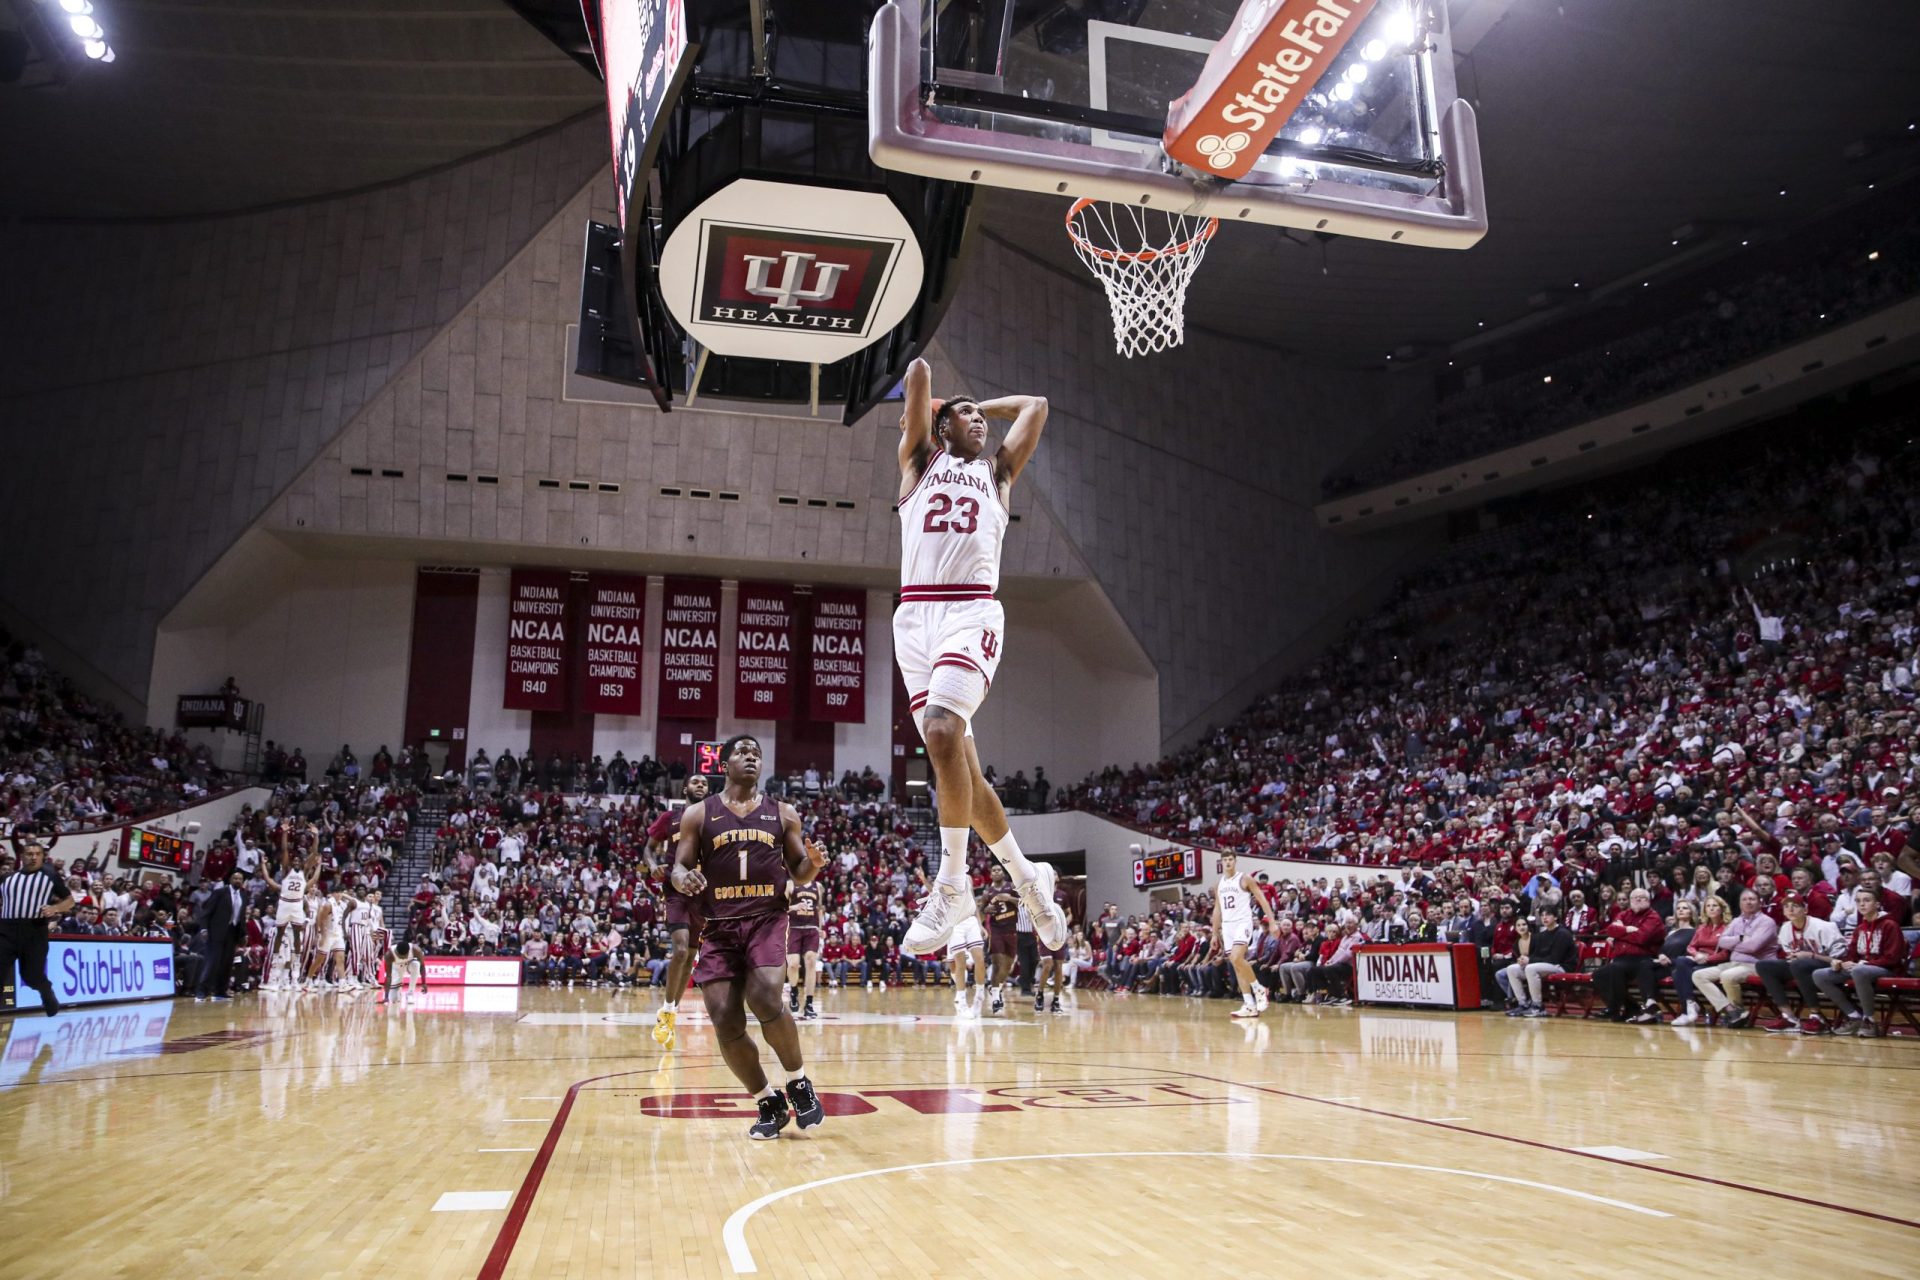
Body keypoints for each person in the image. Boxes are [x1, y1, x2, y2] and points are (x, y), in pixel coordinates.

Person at [891, 357, 1068, 961]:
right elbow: (917, 373)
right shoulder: (919, 462)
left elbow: (1035, 407)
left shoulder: (998, 474)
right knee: (961, 765)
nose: (978, 423)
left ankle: (953, 885)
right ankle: (1027, 880)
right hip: (915, 620)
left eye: (980, 417)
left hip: (970, 611)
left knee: (941, 731)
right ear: (941, 426)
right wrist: (942, 405)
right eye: (963, 415)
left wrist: (981, 405)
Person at [671, 735, 828, 1139]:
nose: (751, 758)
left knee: (764, 996)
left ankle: (798, 1082)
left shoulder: (784, 813)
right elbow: (678, 867)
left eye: (756, 754)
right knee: (724, 1018)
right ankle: (767, 1100)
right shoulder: (698, 814)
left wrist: (812, 865)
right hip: (720, 926)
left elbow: (799, 872)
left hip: (765, 919)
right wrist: (684, 877)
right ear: (724, 764)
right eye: (742, 752)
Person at [649, 774, 711, 1050]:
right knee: (682, 951)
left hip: (702, 893)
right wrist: (652, 866)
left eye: (705, 784)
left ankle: (670, 1012)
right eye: (695, 782)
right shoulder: (669, 818)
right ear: (685, 788)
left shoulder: (713, 820)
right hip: (675, 890)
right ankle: (666, 1009)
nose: (700, 785)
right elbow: (648, 850)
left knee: (691, 955)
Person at [1810, 885, 1910, 1038]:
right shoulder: (1860, 928)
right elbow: (1852, 955)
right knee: (1819, 974)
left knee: (1858, 970)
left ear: (1877, 904)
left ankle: (1869, 1020)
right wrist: (1841, 963)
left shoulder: (1890, 925)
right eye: (1858, 901)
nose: (1862, 904)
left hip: (1886, 969)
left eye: (1867, 900)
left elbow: (1893, 958)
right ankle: (1853, 1015)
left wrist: (1863, 964)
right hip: (1861, 968)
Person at [0, 832, 74, 1015]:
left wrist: (55, 909)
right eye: (29, 854)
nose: (33, 857)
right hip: (5, 931)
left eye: (37, 854)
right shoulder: (7, 879)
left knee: (31, 977)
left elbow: (70, 901)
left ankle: (46, 991)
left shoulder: (50, 876)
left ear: (43, 856)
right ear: (21, 857)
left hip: (34, 931)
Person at [1692, 888, 1780, 1028]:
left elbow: (1753, 947)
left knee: (1728, 975)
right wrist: (1740, 938)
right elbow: (1721, 941)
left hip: (1757, 965)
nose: (1748, 902)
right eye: (1744, 900)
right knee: (1698, 975)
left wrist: (1733, 944)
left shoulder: (1767, 922)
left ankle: (1737, 1011)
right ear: (1740, 904)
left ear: (1760, 902)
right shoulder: (1736, 921)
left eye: (1752, 899)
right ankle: (1732, 1011)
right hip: (1733, 963)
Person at [1757, 894, 1845, 1034]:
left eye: (1795, 906)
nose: (1790, 909)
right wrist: (1795, 957)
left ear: (1805, 910)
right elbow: (1790, 955)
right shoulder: (1785, 928)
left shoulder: (1824, 927)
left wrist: (1811, 956)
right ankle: (1789, 1017)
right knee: (1764, 966)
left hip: (1827, 966)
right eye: (1786, 906)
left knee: (1799, 965)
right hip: (1800, 967)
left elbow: (1840, 957)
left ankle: (1817, 1016)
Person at [1210, 851, 1279, 1019]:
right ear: (1221, 862)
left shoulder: (1245, 879)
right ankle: (1249, 1005)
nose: (1228, 862)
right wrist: (1214, 933)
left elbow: (1262, 900)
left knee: (1236, 958)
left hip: (1242, 922)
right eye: (1225, 859)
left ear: (1235, 861)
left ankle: (1259, 989)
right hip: (1227, 926)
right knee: (1237, 965)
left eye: (1230, 859)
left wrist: (1272, 922)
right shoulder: (1219, 884)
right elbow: (1217, 910)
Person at [1592, 887, 1668, 1022]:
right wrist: (1627, 929)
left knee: (1615, 969)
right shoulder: (1624, 914)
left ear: (1648, 901)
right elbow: (1610, 930)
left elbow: (1642, 938)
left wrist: (1620, 935)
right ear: (1630, 900)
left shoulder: (1653, 917)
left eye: (1642, 897)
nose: (1638, 899)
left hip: (1642, 960)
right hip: (1622, 959)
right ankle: (1631, 1007)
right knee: (1598, 975)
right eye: (1634, 897)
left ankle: (1614, 1009)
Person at [1502, 905, 1577, 1017]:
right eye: (1542, 915)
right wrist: (1524, 960)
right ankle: (1523, 1004)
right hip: (1547, 966)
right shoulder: (1542, 935)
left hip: (1562, 967)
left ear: (1556, 917)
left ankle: (1538, 1006)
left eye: (1548, 915)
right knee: (1512, 969)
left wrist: (1530, 960)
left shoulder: (1563, 934)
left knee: (1531, 968)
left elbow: (1554, 959)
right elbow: (1536, 955)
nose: (1544, 918)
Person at [1666, 895, 1729, 1026]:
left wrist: (1708, 959)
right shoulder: (1702, 928)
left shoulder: (1727, 927)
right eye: (1708, 906)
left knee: (1679, 972)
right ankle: (1689, 1003)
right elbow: (1691, 946)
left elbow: (1726, 953)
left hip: (1715, 962)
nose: (1711, 908)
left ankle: (1687, 1010)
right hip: (1698, 959)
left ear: (1722, 909)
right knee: (1681, 960)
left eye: (1714, 906)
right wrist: (1696, 955)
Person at [194, 870, 248, 1001]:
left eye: (240, 879)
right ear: (230, 879)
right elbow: (207, 912)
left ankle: (220, 991)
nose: (238, 881)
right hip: (216, 932)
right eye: (235, 878)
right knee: (211, 962)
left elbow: (241, 917)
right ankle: (201, 991)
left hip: (232, 932)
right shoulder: (220, 892)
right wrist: (204, 929)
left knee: (226, 964)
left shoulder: (243, 895)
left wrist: (243, 934)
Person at [982, 865, 1019, 1014]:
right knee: (997, 963)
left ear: (1003, 873)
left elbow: (1022, 903)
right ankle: (996, 998)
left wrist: (1009, 898)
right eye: (994, 870)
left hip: (1012, 929)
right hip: (996, 930)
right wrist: (986, 911)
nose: (997, 872)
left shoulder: (1012, 887)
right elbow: (982, 911)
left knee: (1008, 966)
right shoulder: (987, 893)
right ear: (990, 874)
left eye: (999, 870)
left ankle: (995, 987)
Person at [785, 878, 823, 1021]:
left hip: (812, 929)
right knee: (793, 964)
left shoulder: (817, 886)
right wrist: (794, 907)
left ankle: (809, 1003)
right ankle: (794, 992)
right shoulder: (790, 884)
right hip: (794, 928)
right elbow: (782, 907)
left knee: (811, 962)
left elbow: (819, 908)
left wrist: (820, 928)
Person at [947, 914, 987, 1018]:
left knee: (980, 959)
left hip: (970, 921)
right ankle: (962, 1002)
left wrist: (980, 924)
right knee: (958, 965)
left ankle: (979, 996)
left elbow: (973, 902)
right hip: (954, 923)